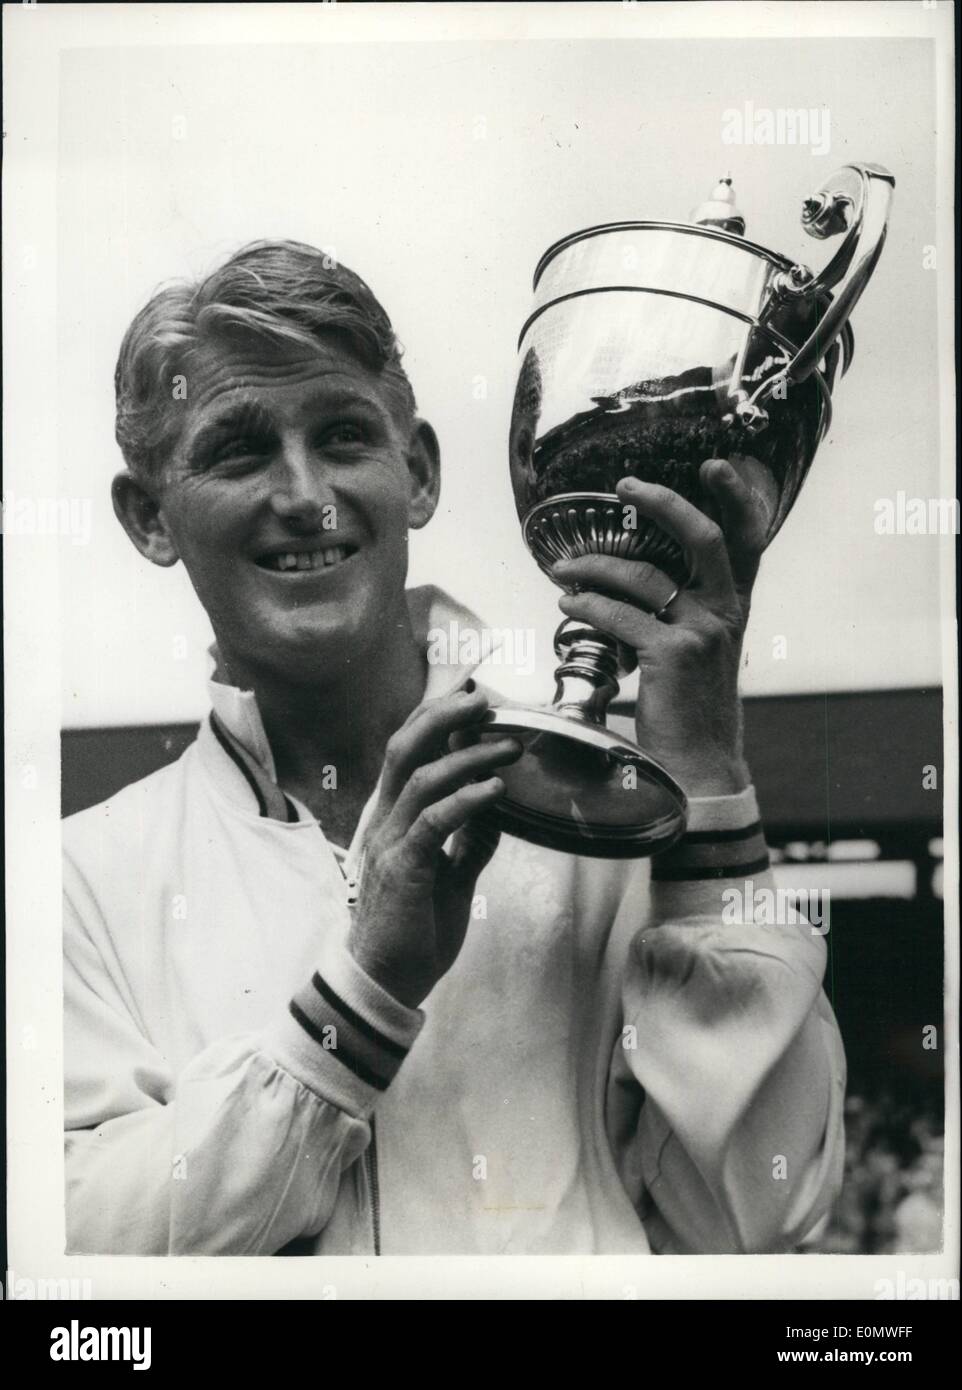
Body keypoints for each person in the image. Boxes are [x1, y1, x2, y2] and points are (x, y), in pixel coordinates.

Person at [63, 240, 845, 1255]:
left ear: (418, 472)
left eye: (343, 436)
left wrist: (702, 772)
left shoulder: (596, 818)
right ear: (148, 517)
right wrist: (359, 997)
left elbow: (763, 1210)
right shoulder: (80, 880)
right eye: (238, 450)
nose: (303, 494)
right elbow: (75, 1250)